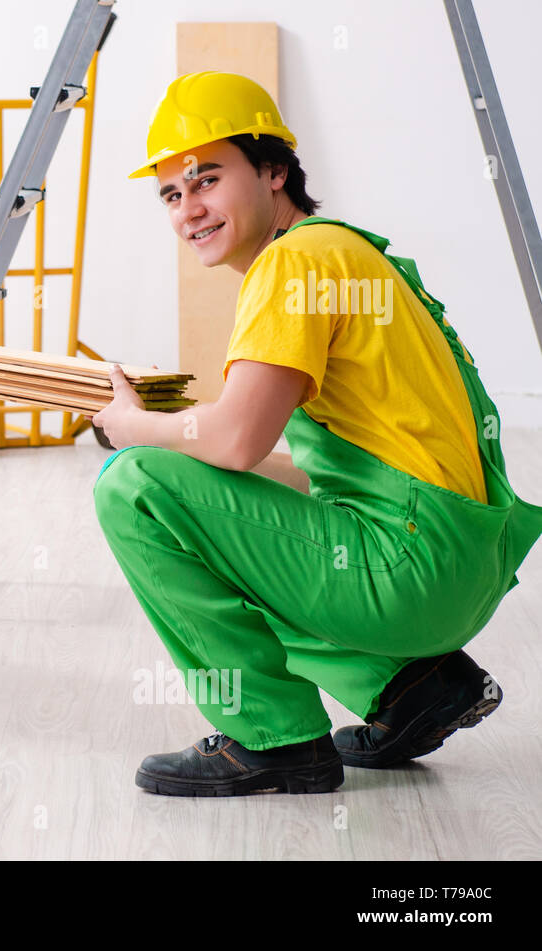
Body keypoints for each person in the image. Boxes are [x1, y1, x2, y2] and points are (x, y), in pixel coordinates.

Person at [92, 71, 542, 796]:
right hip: (456, 565)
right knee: (217, 518)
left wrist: (135, 427)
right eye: (172, 194)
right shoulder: (345, 253)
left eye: (206, 179)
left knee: (133, 487)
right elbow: (303, 474)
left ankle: (270, 738)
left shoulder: (290, 266)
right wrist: (193, 472)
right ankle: (412, 688)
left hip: (407, 571)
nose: (189, 209)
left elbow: (234, 440)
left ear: (273, 170)